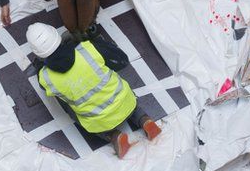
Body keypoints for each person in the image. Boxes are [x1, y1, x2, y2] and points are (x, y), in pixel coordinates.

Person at [26, 23, 161, 159]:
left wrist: (39, 67)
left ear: (38, 54)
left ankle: (114, 136)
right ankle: (144, 120)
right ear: (57, 37)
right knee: (121, 94)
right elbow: (120, 58)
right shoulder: (87, 49)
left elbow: (43, 88)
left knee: (64, 102)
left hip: (99, 121)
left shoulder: (45, 78)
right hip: (125, 100)